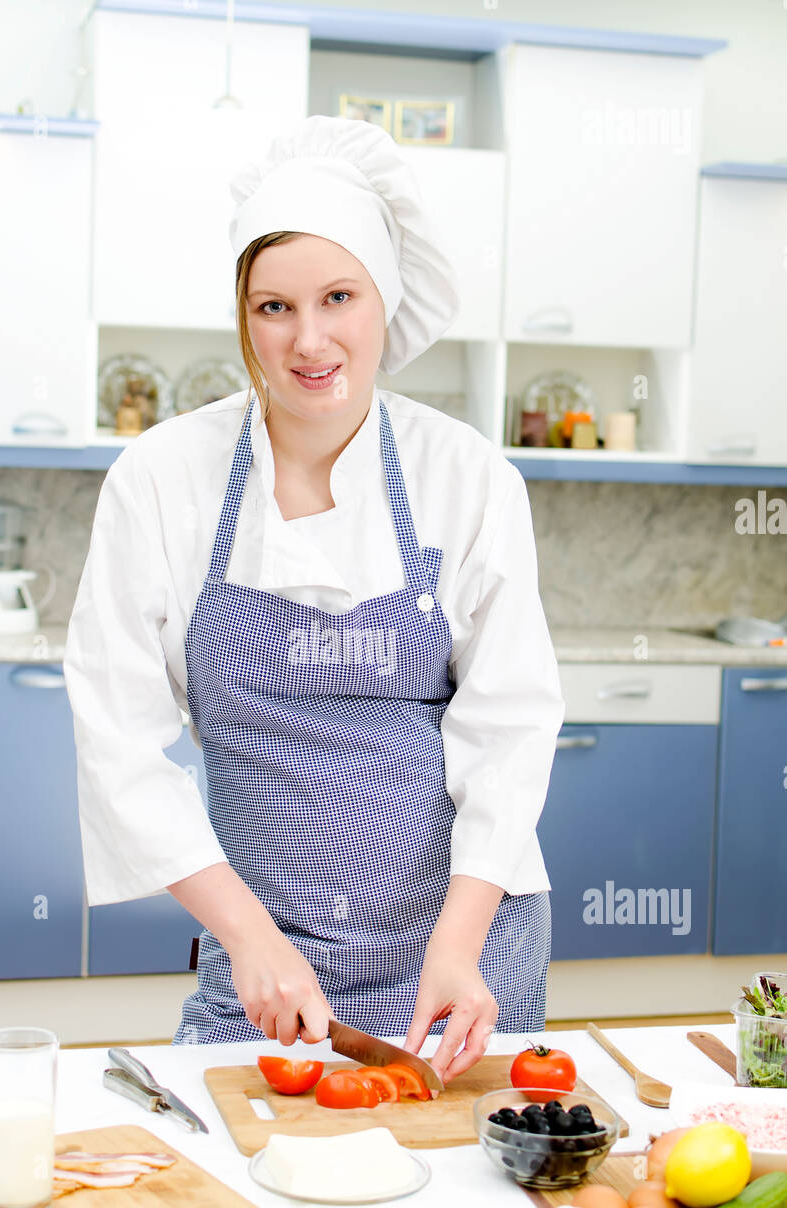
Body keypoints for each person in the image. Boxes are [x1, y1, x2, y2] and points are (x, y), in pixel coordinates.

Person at [63, 114, 566, 1084]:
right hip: (265, 963)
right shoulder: (162, 479)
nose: (308, 340)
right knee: (235, 1197)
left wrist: (456, 948)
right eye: (272, 307)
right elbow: (117, 740)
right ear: (242, 316)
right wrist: (246, 937)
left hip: (456, 955)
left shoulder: (465, 479)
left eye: (339, 295)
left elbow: (508, 729)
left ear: (385, 298)